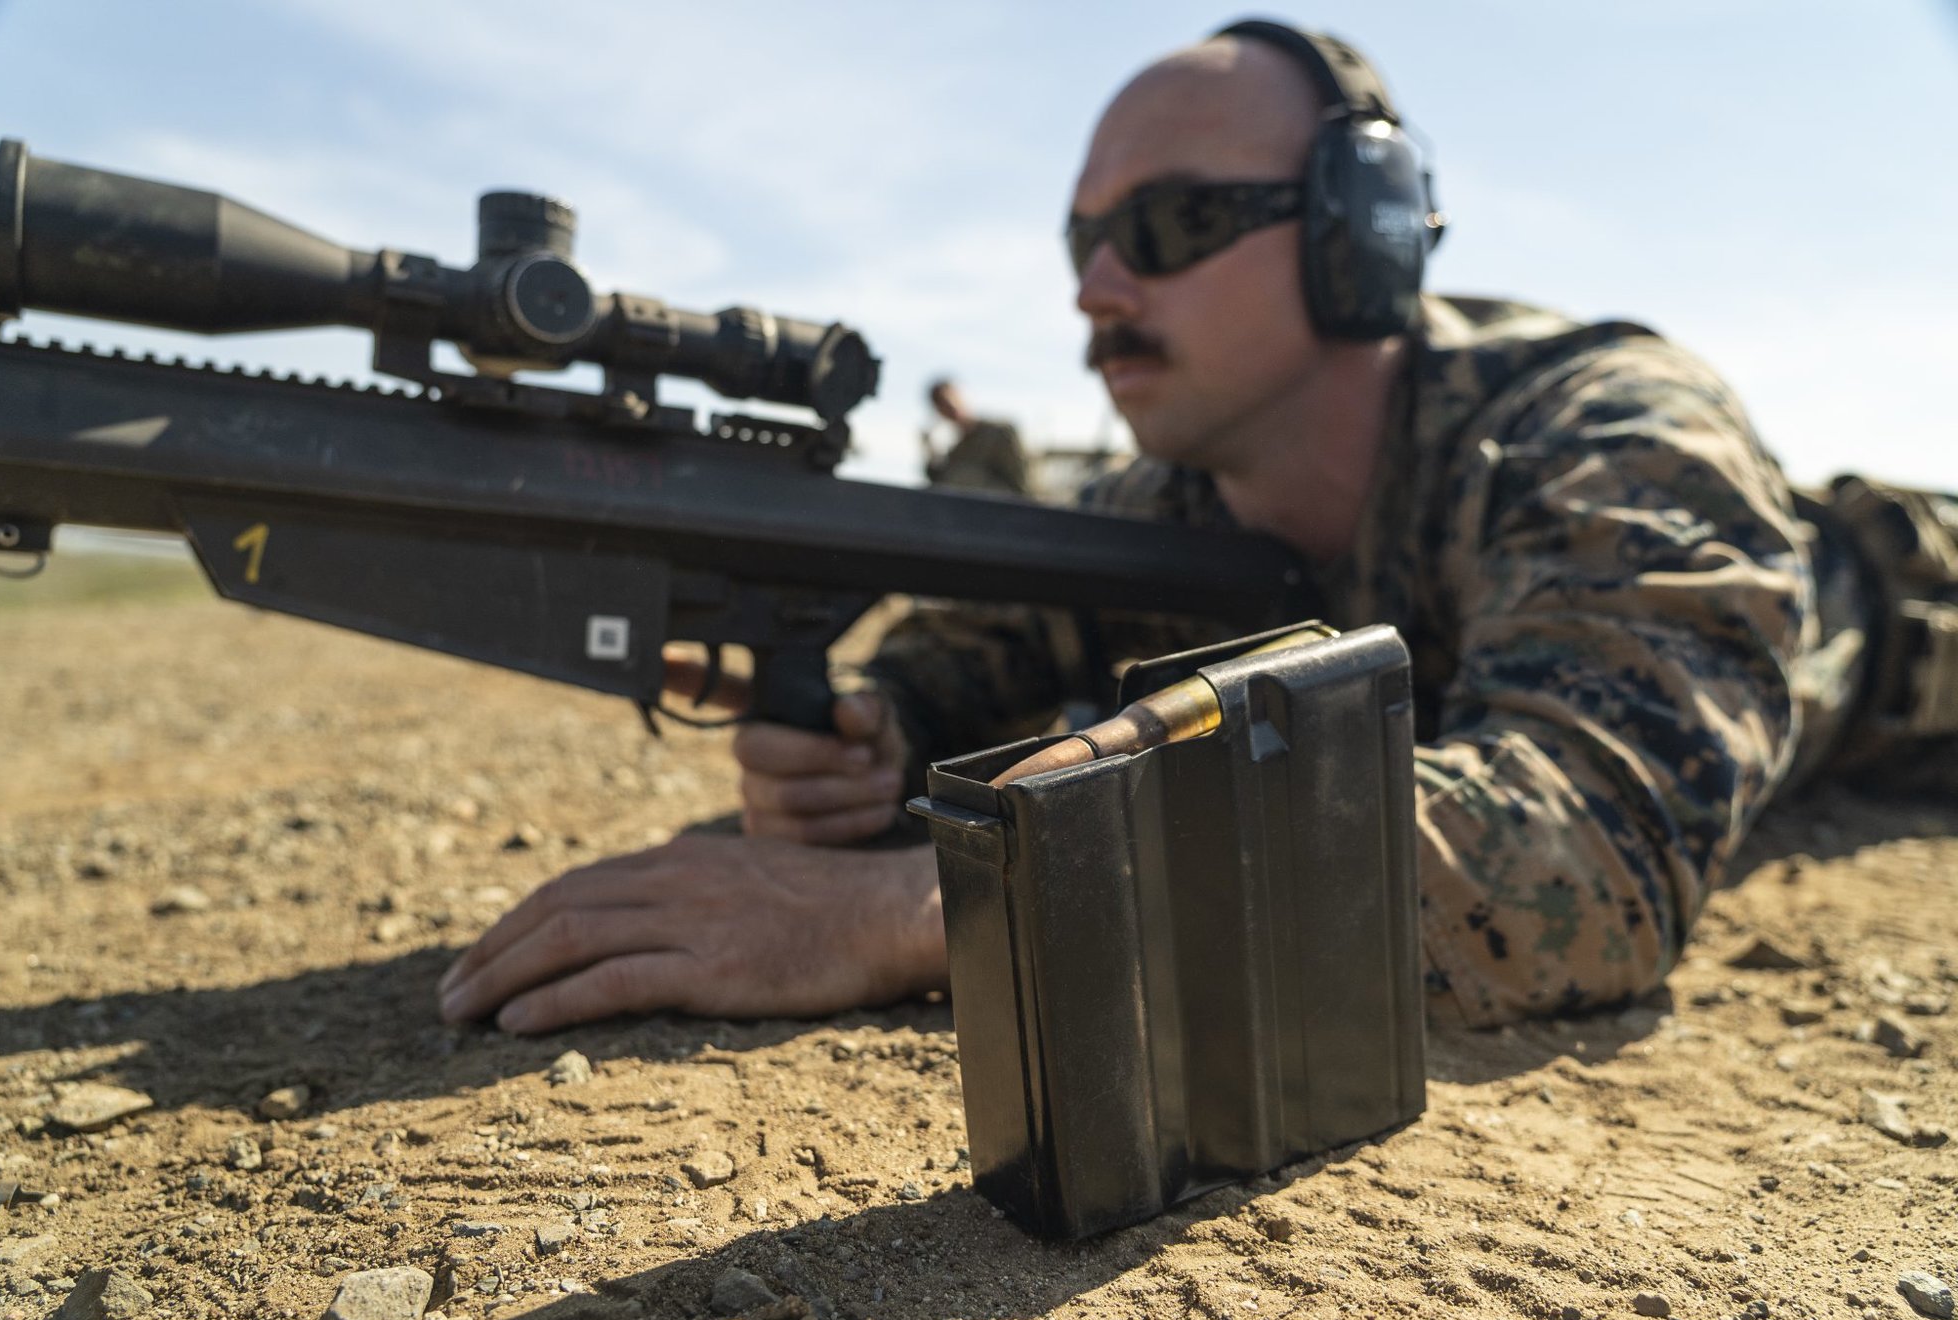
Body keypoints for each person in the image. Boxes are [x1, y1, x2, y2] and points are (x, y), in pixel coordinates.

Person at [437, 22, 1952, 1036]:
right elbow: (980, 649)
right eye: (1083, 242)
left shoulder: (1614, 427)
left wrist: (925, 904)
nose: (1096, 289)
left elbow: (1579, 856)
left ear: (1360, 238)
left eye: (1161, 231)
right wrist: (876, 739)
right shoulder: (1171, 498)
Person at [920, 378, 1031, 495]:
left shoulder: (1000, 433)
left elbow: (1023, 481)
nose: (949, 406)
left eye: (950, 399)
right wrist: (931, 453)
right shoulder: (957, 452)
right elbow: (940, 484)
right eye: (941, 404)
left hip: (1009, 504)